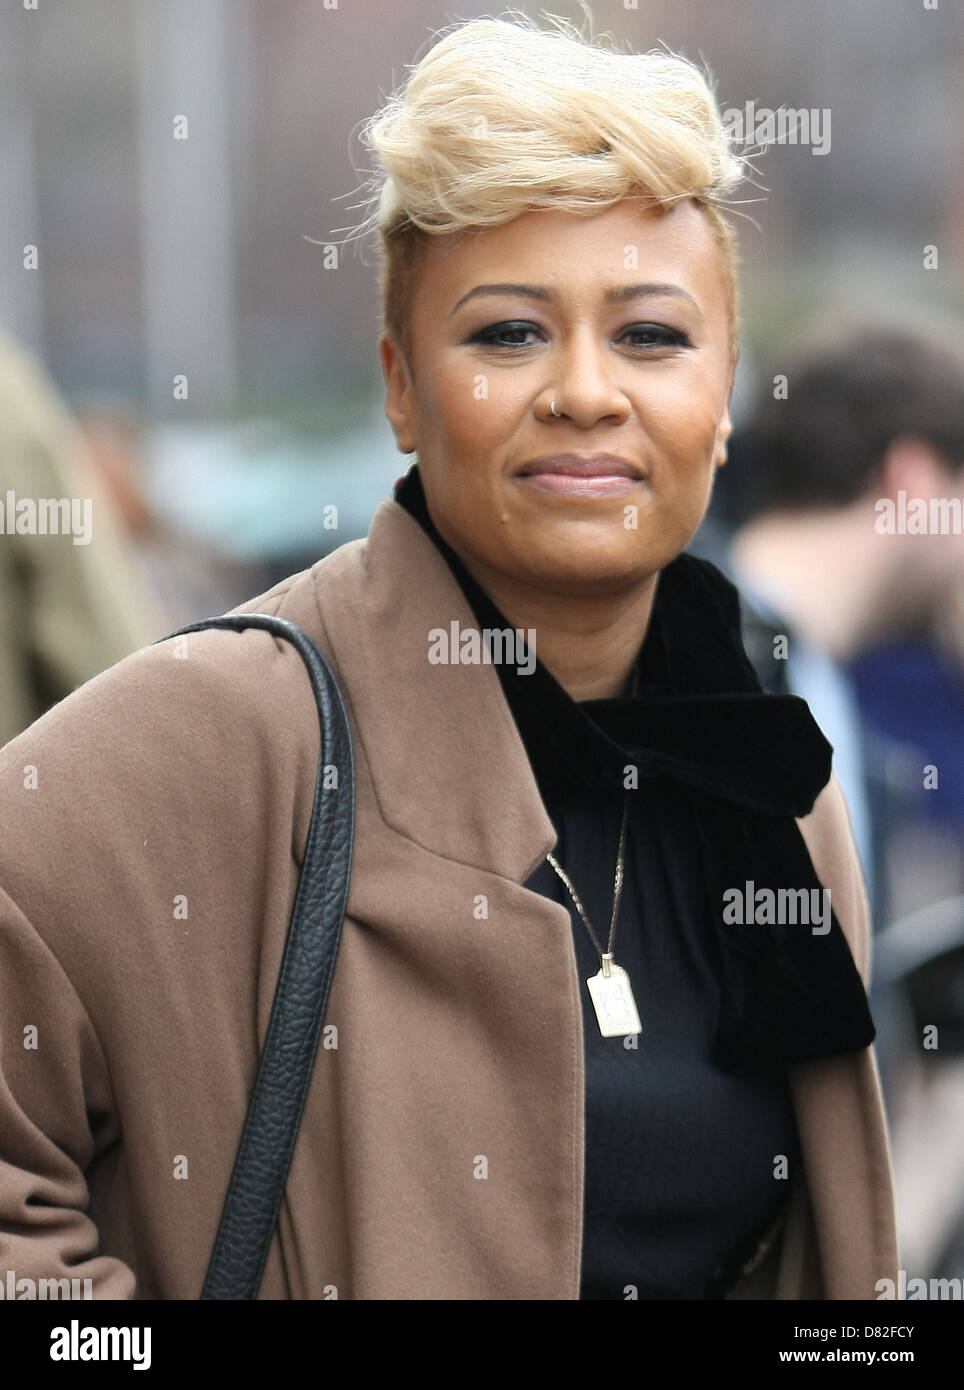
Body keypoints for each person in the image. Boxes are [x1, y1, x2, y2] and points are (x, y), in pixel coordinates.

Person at [0, 11, 896, 1300]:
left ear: (723, 394)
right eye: (508, 334)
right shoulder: (216, 735)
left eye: (650, 335)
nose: (588, 390)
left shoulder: (771, 780)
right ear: (401, 387)